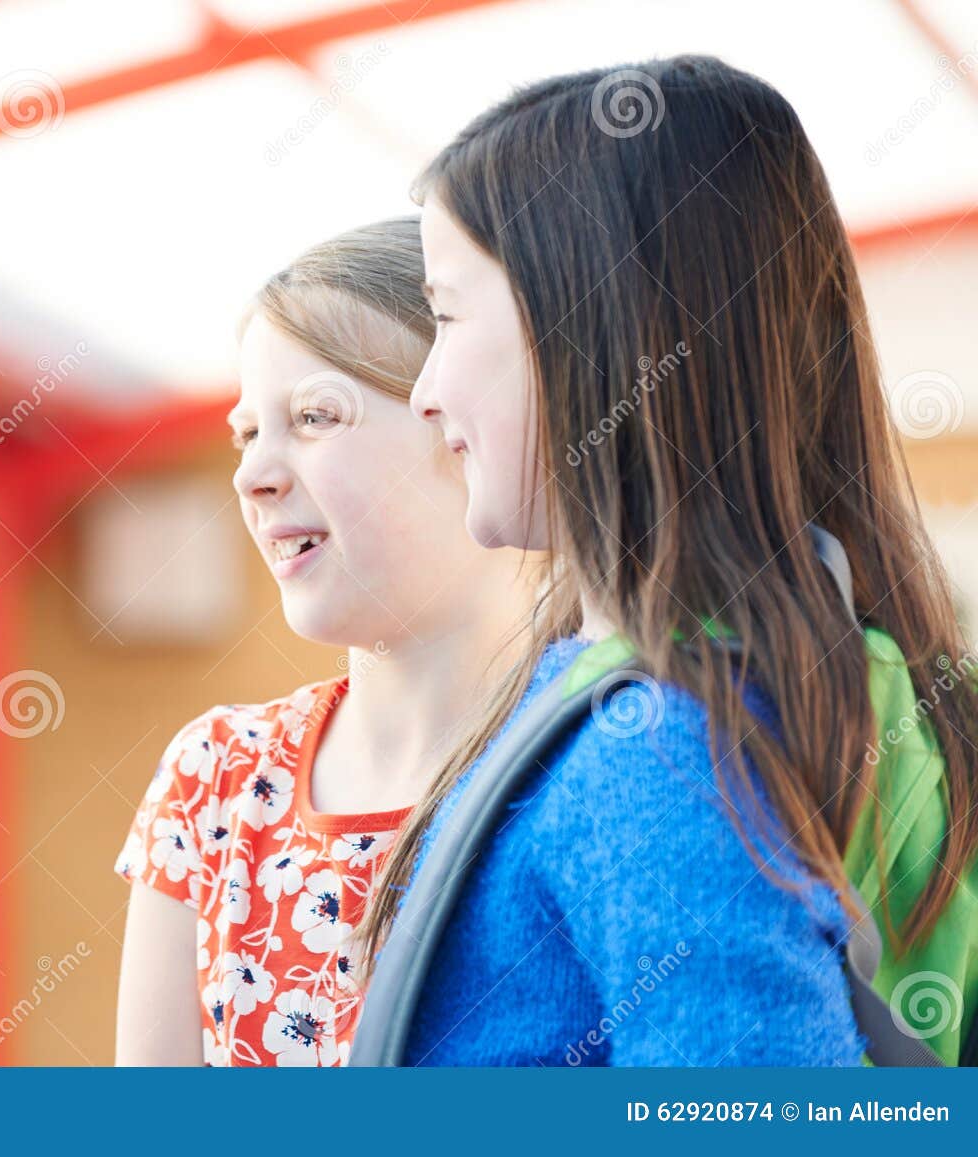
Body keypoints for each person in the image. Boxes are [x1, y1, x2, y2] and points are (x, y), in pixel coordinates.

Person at [358, 55, 978, 1066]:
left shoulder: (660, 745)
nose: (425, 389)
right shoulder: (765, 693)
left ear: (598, 326)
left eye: (449, 313)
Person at [114, 218, 495, 1065]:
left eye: (316, 416)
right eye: (248, 432)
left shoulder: (604, 751)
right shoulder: (214, 781)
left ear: (473, 426)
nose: (252, 473)